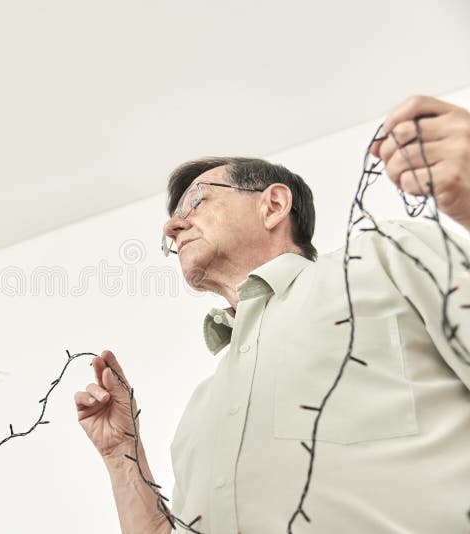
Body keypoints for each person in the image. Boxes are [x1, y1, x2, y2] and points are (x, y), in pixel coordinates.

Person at [74, 95, 470, 533]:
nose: (172, 226)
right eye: (171, 222)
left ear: (273, 205)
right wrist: (122, 455)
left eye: (196, 202)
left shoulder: (383, 260)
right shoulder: (198, 416)